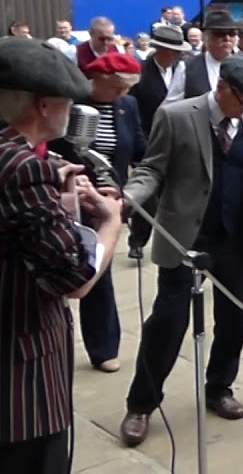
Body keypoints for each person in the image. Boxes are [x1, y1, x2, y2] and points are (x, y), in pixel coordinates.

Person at [118, 57, 243, 446]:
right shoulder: (176, 117)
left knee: (234, 320)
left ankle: (219, 388)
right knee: (168, 323)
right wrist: (128, 198)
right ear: (223, 87)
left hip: (235, 239)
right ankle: (141, 403)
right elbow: (151, 170)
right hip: (184, 238)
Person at [0, 38, 122, 473]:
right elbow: (76, 281)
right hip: (20, 391)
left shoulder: (17, 158)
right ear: (44, 105)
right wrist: (110, 224)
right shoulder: (25, 170)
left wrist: (63, 207)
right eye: (68, 101)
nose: (72, 109)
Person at [48, 52, 146, 374]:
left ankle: (103, 347)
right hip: (62, 197)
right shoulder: (68, 105)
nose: (122, 95)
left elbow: (138, 148)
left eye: (126, 91)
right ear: (97, 80)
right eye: (116, 88)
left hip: (104, 200)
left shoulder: (127, 107)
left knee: (99, 273)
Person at [126, 24, 190, 260]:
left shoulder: (183, 70)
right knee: (148, 196)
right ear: (158, 49)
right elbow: (133, 114)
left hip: (178, 141)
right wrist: (139, 146)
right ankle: (137, 240)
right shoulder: (141, 74)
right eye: (171, 51)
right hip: (148, 142)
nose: (175, 56)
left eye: (178, 52)